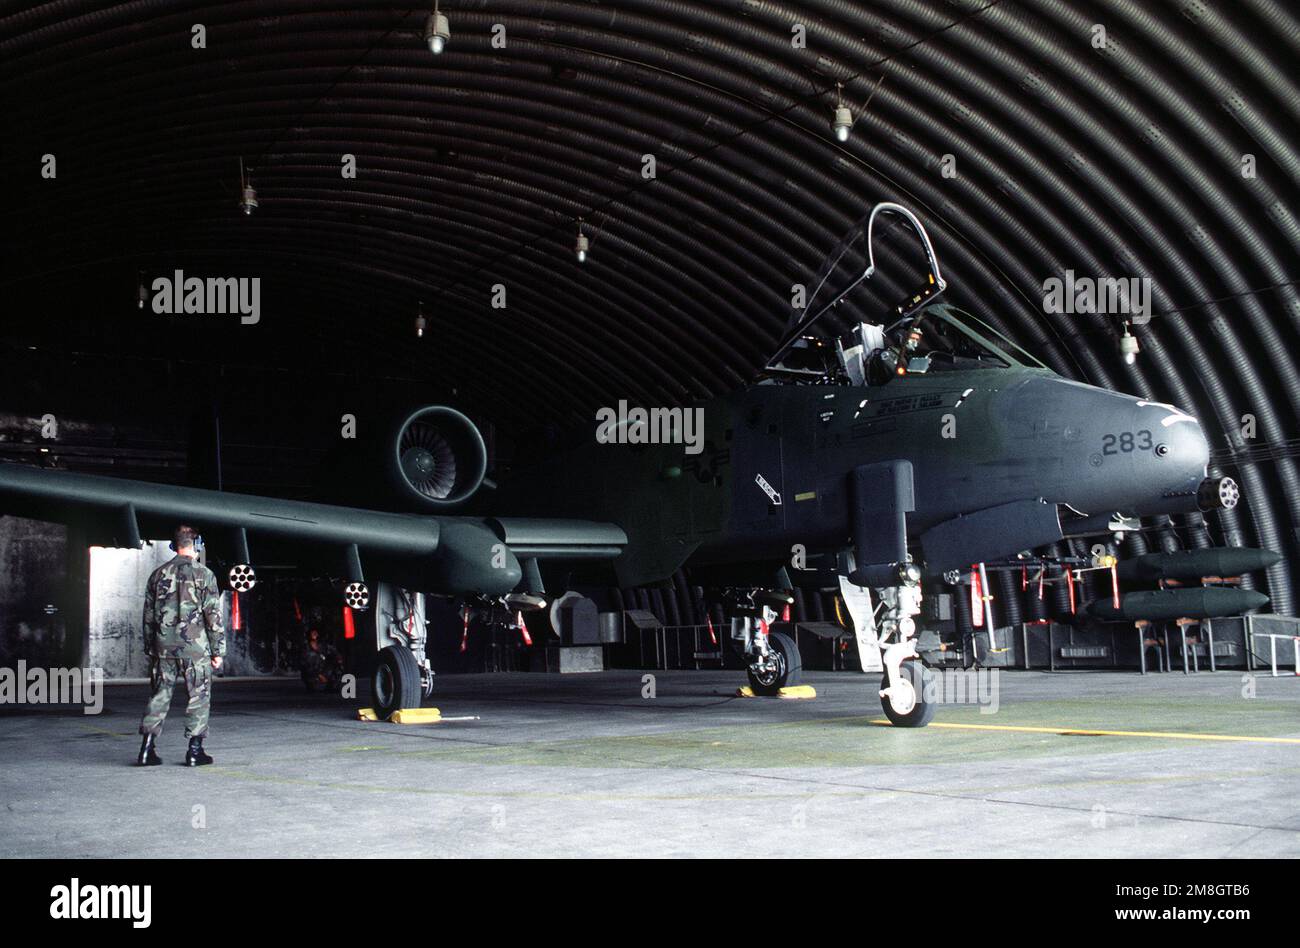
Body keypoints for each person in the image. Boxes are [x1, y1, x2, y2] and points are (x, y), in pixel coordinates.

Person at [136, 525, 226, 767]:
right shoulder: (204, 574)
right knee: (199, 697)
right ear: (196, 545)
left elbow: (148, 616)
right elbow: (213, 616)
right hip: (195, 649)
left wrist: (151, 647)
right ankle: (195, 751)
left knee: (159, 696)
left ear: (174, 545)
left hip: (163, 648)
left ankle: (146, 749)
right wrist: (217, 651)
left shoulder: (157, 575)